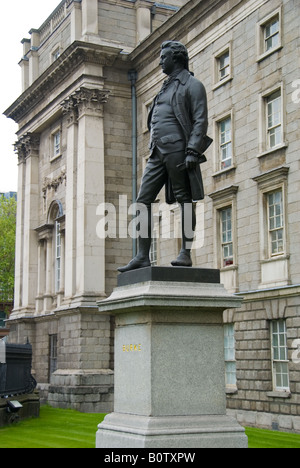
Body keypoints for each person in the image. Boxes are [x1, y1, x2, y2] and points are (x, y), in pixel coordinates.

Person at [118, 41, 211, 273]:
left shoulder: (193, 85)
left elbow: (200, 120)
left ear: (176, 58)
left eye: (164, 57)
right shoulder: (165, 86)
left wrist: (192, 150)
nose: (160, 61)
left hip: (179, 150)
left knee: (184, 200)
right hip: (157, 151)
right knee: (142, 201)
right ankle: (142, 256)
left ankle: (185, 253)